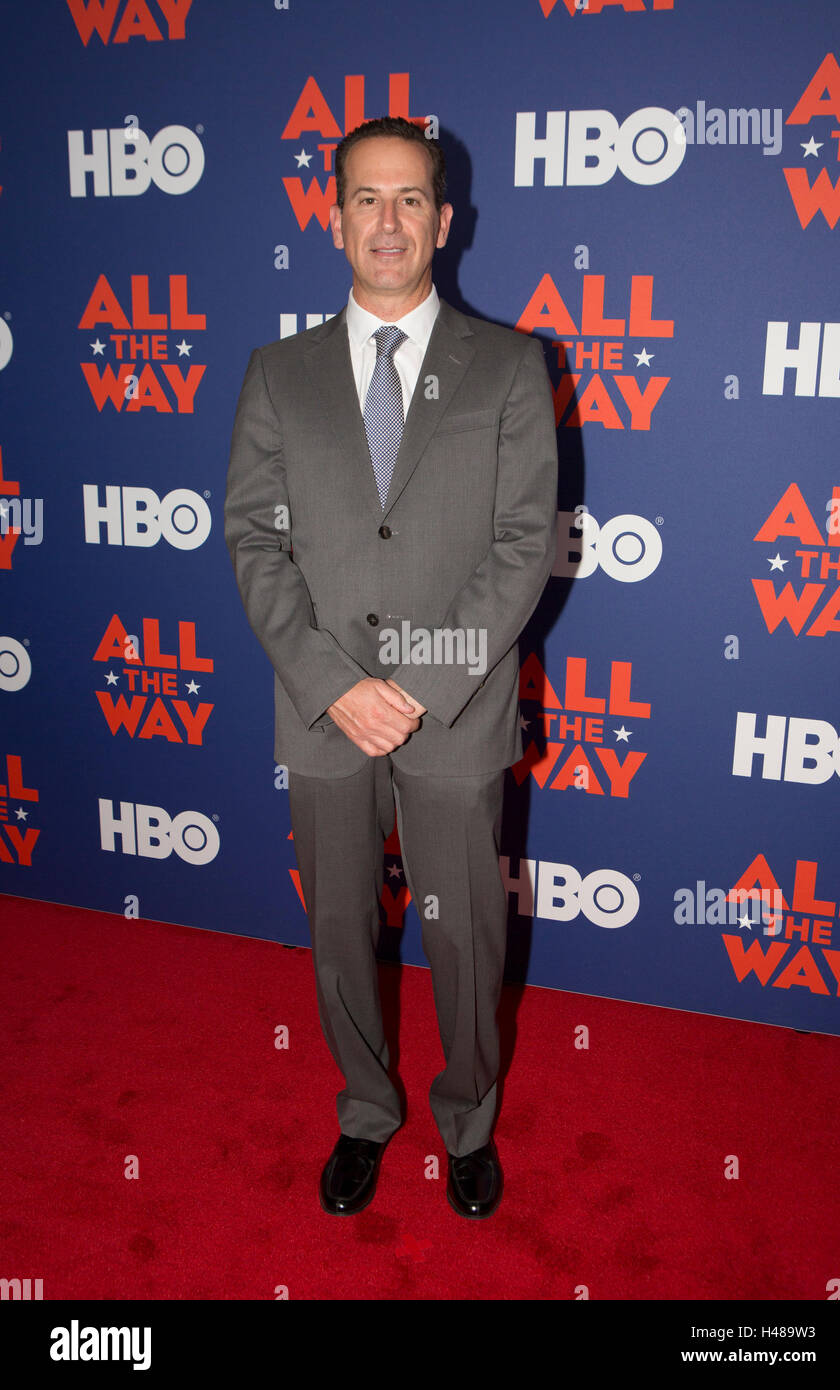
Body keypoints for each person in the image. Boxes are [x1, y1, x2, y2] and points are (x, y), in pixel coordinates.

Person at [224, 115, 558, 1219]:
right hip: (320, 712)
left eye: (409, 198)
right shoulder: (276, 373)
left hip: (451, 710)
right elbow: (254, 540)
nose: (387, 221)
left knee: (465, 930)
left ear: (443, 220)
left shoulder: (512, 366)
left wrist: (413, 685)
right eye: (365, 198)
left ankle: (466, 1119)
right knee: (336, 931)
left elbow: (521, 547)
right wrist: (335, 685)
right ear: (332, 219)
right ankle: (365, 1111)